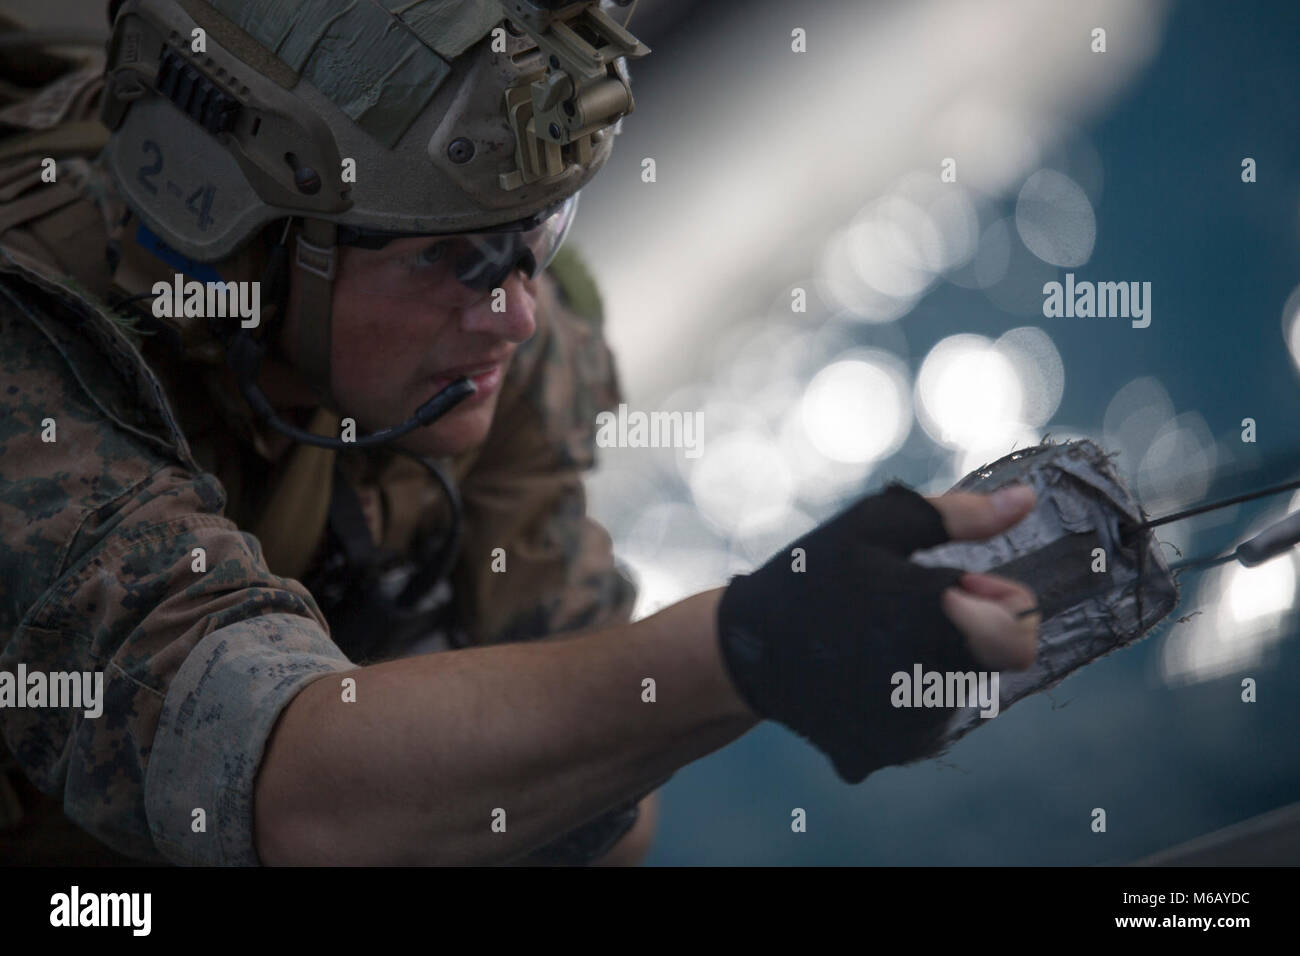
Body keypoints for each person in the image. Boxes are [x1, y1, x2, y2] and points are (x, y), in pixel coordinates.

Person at [0, 0, 1040, 866]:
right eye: (443, 257)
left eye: (535, 235)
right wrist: (736, 653)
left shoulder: (480, 348)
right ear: (253, 247)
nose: (516, 311)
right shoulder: (30, 379)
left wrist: (779, 652)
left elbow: (614, 822)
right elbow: (279, 784)